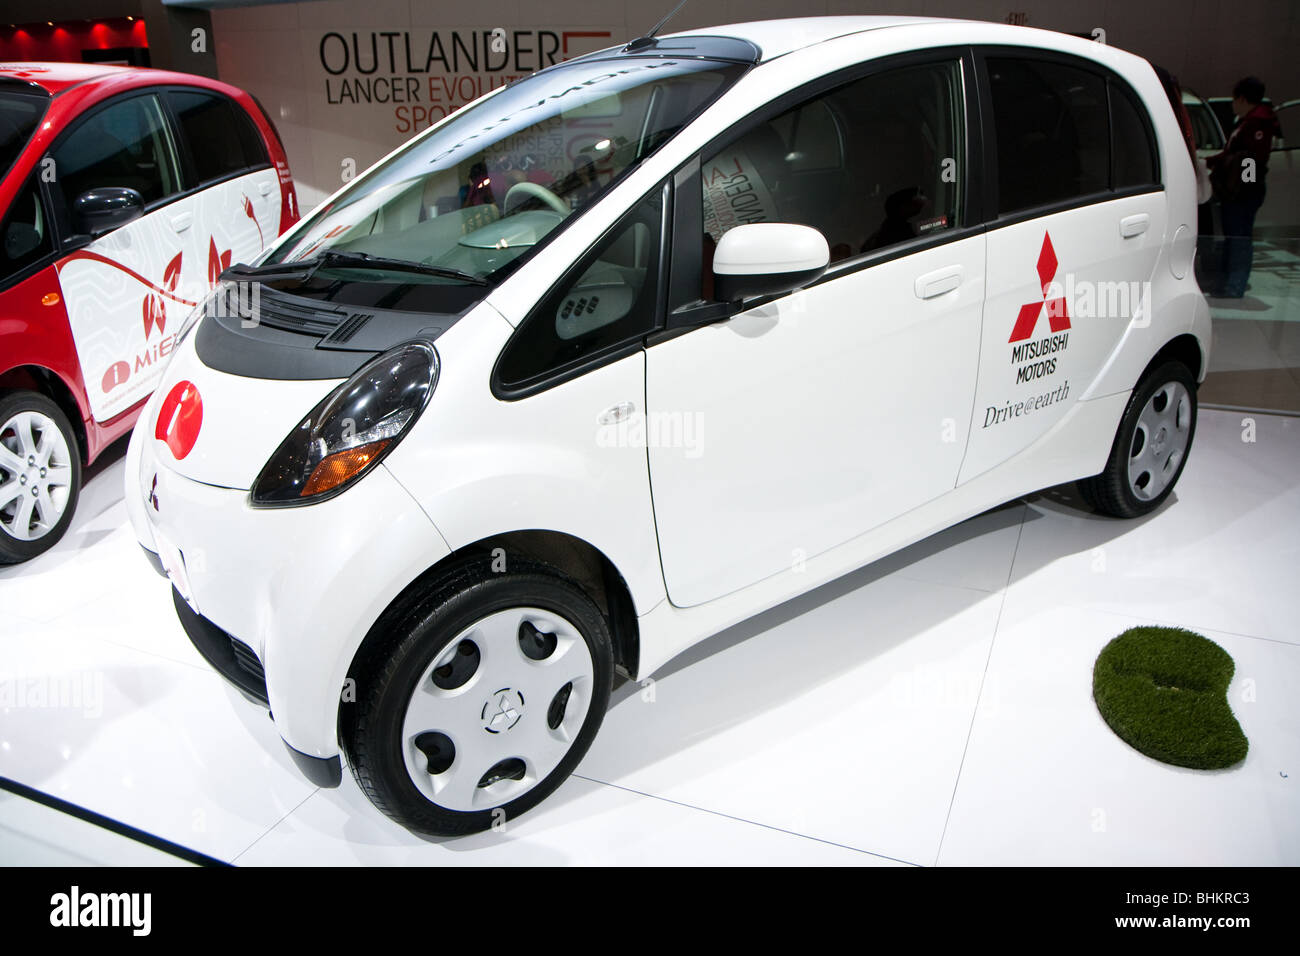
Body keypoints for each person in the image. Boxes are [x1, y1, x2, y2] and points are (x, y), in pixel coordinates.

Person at [1207, 76, 1282, 298]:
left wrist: (1244, 184)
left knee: (1239, 239)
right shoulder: (1249, 121)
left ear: (1242, 98)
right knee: (1235, 237)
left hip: (1244, 193)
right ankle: (1228, 281)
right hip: (1241, 191)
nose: (1233, 104)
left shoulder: (1257, 124)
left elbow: (1252, 159)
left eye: (1234, 99)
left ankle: (1234, 285)